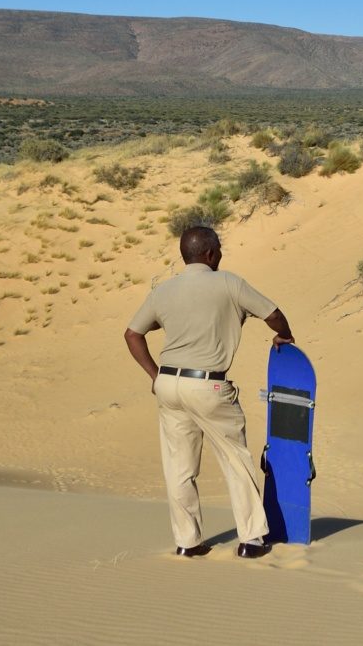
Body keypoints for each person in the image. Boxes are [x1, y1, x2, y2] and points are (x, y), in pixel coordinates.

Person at [124, 225, 295, 559]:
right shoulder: (229, 283)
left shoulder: (164, 290)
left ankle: (188, 542)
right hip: (207, 384)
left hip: (169, 384)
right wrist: (285, 335)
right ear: (209, 253)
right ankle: (251, 539)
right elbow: (273, 314)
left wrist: (154, 374)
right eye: (219, 249)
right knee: (236, 459)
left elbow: (132, 334)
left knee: (179, 467)